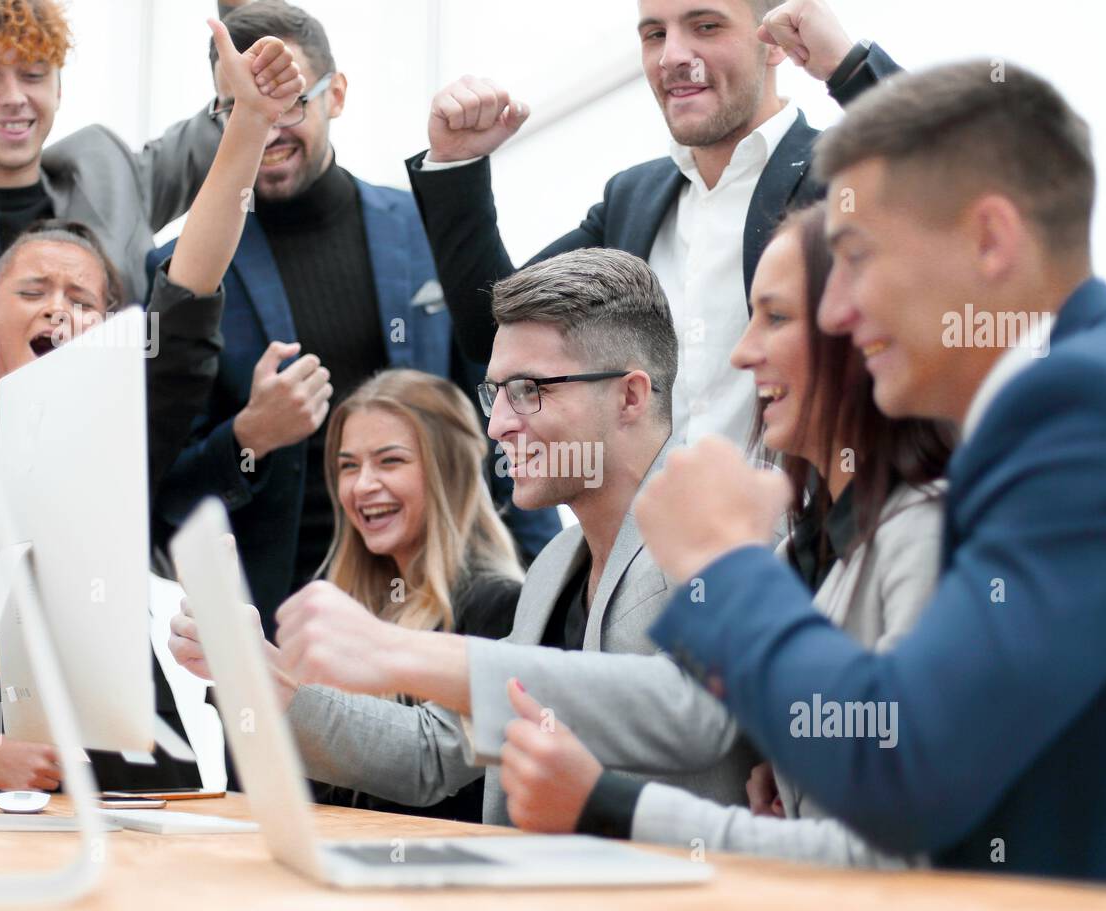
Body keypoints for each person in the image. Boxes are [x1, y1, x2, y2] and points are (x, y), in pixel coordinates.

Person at [633, 61, 1106, 888]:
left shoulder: (1090, 409)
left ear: (991, 241)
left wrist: (726, 564)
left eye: (858, 258)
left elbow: (907, 761)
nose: (835, 312)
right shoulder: (1066, 409)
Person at [170, 249, 757, 825]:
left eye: (529, 390)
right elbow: (433, 755)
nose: (499, 423)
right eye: (495, 392)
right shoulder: (554, 566)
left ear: (630, 395)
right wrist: (251, 670)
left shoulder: (729, 528)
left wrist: (398, 652)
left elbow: (689, 711)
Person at [0, 21, 305, 794]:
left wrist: (249, 122)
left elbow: (190, 285)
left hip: (109, 785)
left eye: (83, 298)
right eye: (32, 291)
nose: (60, 309)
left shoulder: (117, 442)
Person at [495, 205, 955, 866]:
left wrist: (606, 803)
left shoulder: (926, 532)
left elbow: (898, 851)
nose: (743, 352)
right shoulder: (818, 544)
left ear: (868, 331)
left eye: (775, 317)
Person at [152, 1, 560, 639]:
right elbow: (161, 494)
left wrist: (546, 588)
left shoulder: (427, 228)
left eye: (289, 101)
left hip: (452, 607)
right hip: (278, 628)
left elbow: (503, 404)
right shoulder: (184, 277)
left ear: (336, 94)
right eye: (239, 109)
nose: (269, 129)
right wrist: (249, 438)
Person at [406, 0, 898, 449]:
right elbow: (495, 329)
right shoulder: (632, 200)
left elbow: (963, 187)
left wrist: (851, 66)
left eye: (705, 26)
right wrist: (458, 164)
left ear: (776, 45)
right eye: (654, 35)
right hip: (655, 540)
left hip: (809, 536)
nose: (673, 56)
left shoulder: (842, 175)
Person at [172, 368, 526, 820]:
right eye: (348, 466)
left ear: (451, 470)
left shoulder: (502, 609)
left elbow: (430, 778)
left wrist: (257, 671)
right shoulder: (338, 611)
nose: (362, 486)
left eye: (390, 461)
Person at [0, 0, 226, 303]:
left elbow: (225, 124)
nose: (14, 97)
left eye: (33, 74)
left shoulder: (106, 179)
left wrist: (241, 37)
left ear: (58, 90)